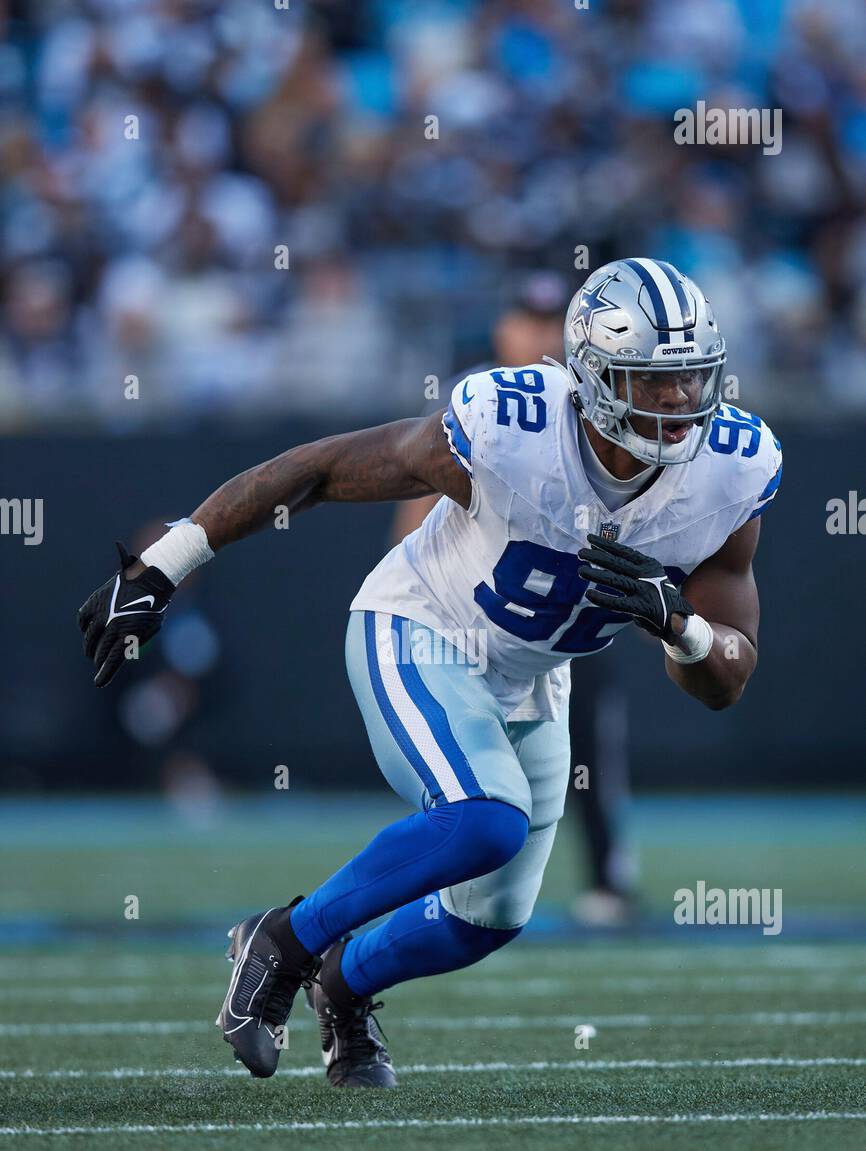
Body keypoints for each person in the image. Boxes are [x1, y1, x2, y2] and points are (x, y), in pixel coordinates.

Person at [78, 257, 782, 1088]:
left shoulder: (733, 467)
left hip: (533, 677)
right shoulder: (511, 425)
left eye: (688, 379)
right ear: (592, 375)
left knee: (491, 918)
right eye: (649, 380)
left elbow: (726, 678)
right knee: (487, 821)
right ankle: (282, 940)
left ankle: (343, 985)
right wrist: (165, 564)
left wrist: (684, 631)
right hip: (421, 628)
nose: (675, 404)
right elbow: (323, 469)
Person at [392, 271, 637, 927]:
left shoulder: (596, 400)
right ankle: (445, 884)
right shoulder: (479, 400)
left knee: (586, 747)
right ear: (504, 327)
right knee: (459, 747)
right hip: (483, 615)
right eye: (525, 320)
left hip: (570, 609)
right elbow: (417, 504)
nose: (534, 335)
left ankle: (610, 875)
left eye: (548, 322)